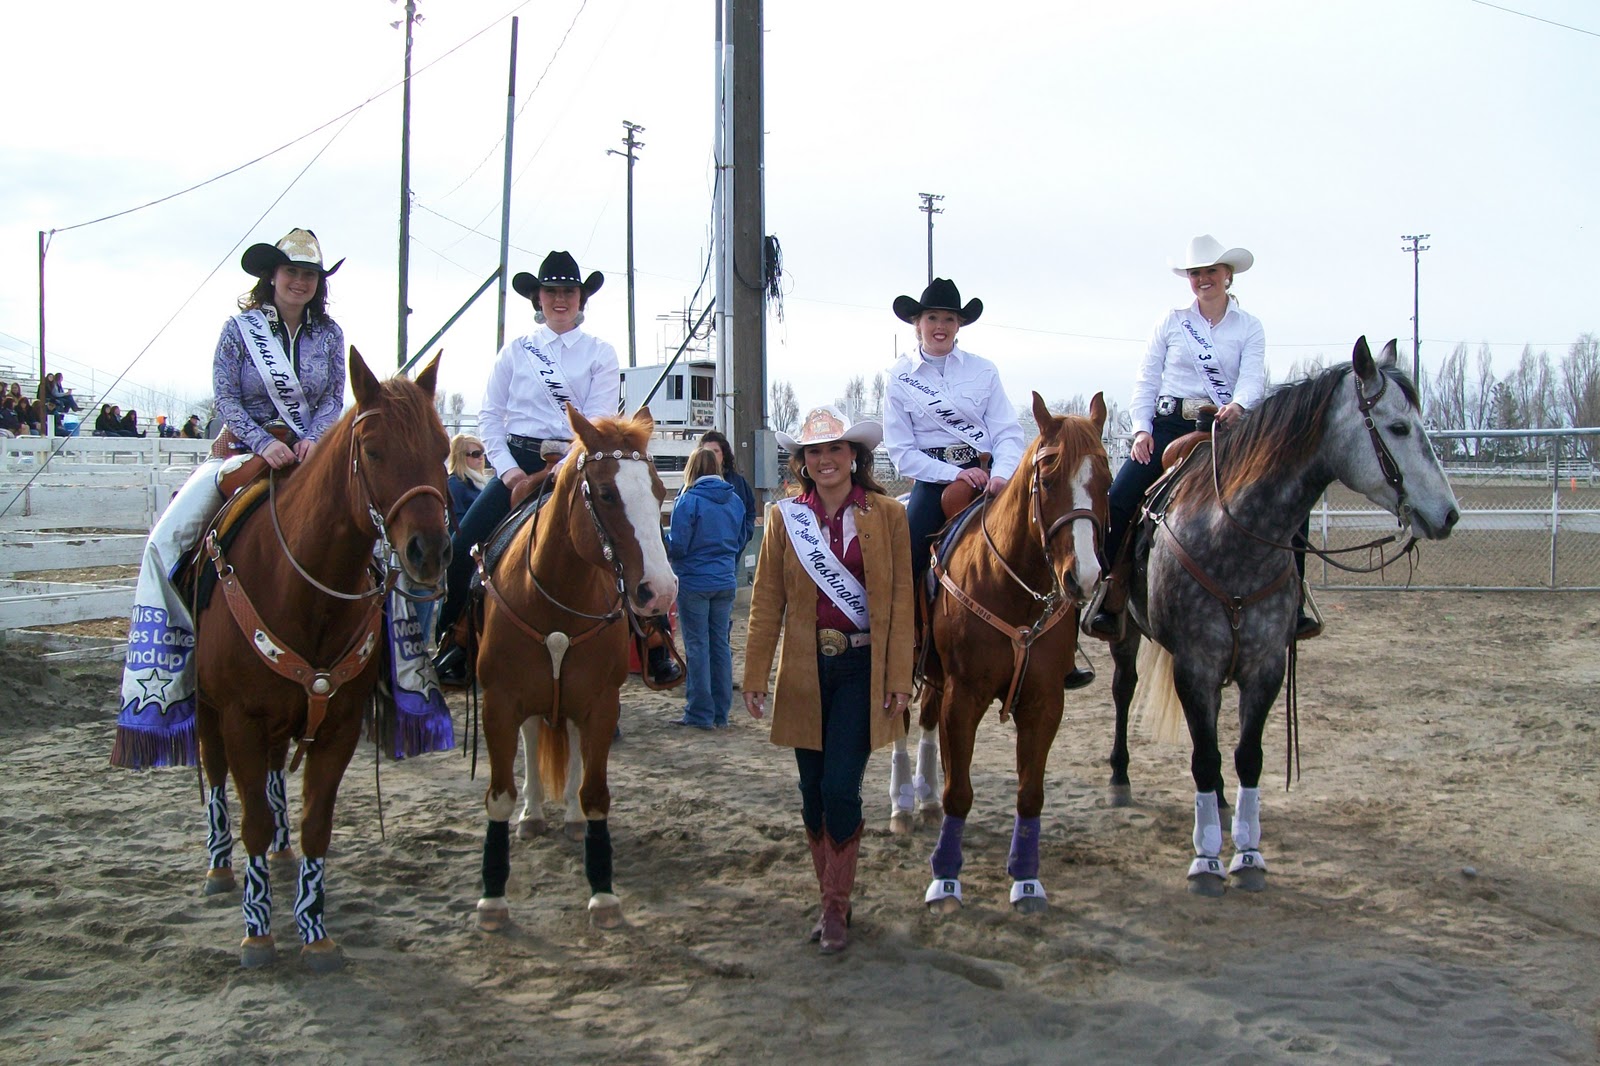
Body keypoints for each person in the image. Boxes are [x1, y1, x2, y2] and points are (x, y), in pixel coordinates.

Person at [113, 228, 347, 769]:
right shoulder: (239, 330)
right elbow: (227, 397)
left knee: (377, 545)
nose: (300, 281)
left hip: (310, 455)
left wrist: (315, 438)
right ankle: (165, 672)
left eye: (309, 274)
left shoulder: (330, 334)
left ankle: (391, 677)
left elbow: (334, 396)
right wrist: (264, 443)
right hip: (243, 452)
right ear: (272, 276)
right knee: (164, 542)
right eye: (291, 272)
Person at [429, 251, 661, 683]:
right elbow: (490, 416)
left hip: (579, 463)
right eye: (551, 291)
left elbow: (597, 419)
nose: (560, 299)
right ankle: (454, 643)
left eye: (568, 291)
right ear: (537, 297)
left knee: (636, 536)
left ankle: (654, 639)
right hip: (517, 460)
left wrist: (565, 468)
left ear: (581, 298)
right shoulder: (516, 351)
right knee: (462, 549)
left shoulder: (599, 352)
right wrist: (509, 473)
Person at [742, 406, 914, 954]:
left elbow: (902, 601)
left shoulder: (888, 515)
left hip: (862, 669)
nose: (825, 460)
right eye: (814, 452)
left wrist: (899, 675)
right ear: (803, 462)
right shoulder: (784, 519)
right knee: (812, 791)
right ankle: (829, 898)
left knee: (840, 786)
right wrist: (755, 674)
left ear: (854, 456)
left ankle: (836, 906)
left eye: (835, 449)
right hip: (804, 670)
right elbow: (766, 601)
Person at [1083, 234, 1313, 639]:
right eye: (1196, 273)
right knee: (1118, 498)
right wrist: (1141, 429)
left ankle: (1294, 599)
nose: (1203, 279)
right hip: (1169, 424)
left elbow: (1252, 377)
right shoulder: (1171, 322)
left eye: (1211, 271)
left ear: (1227, 275)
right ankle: (1109, 590)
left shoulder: (1249, 326)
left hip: (1226, 428)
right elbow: (1147, 379)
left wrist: (1238, 404)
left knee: (1288, 493)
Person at [882, 279, 1093, 690]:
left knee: (1048, 539)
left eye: (949, 319)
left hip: (991, 475)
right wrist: (954, 474)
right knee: (904, 555)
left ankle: (1065, 651)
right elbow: (901, 450)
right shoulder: (899, 377)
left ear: (959, 325)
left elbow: (1007, 431)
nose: (940, 326)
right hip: (934, 479)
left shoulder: (983, 370)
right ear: (917, 324)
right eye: (932, 318)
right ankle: (905, 647)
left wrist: (1001, 474)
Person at [667, 445, 745, 730]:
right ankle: (721, 712)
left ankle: (700, 712)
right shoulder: (734, 500)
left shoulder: (688, 500)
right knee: (720, 644)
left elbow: (678, 546)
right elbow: (739, 539)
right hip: (725, 579)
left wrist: (662, 540)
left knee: (697, 645)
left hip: (694, 580)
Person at [697, 429, 756, 556]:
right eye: (707, 452)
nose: (711, 456)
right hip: (698, 559)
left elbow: (750, 512)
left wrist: (741, 540)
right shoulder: (690, 486)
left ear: (724, 454)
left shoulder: (738, 483)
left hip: (731, 556)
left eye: (715, 451)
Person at [445, 433, 490, 532]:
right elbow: (457, 523)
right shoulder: (454, 484)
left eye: (482, 453)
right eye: (476, 454)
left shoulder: (480, 482)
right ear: (461, 457)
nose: (481, 457)